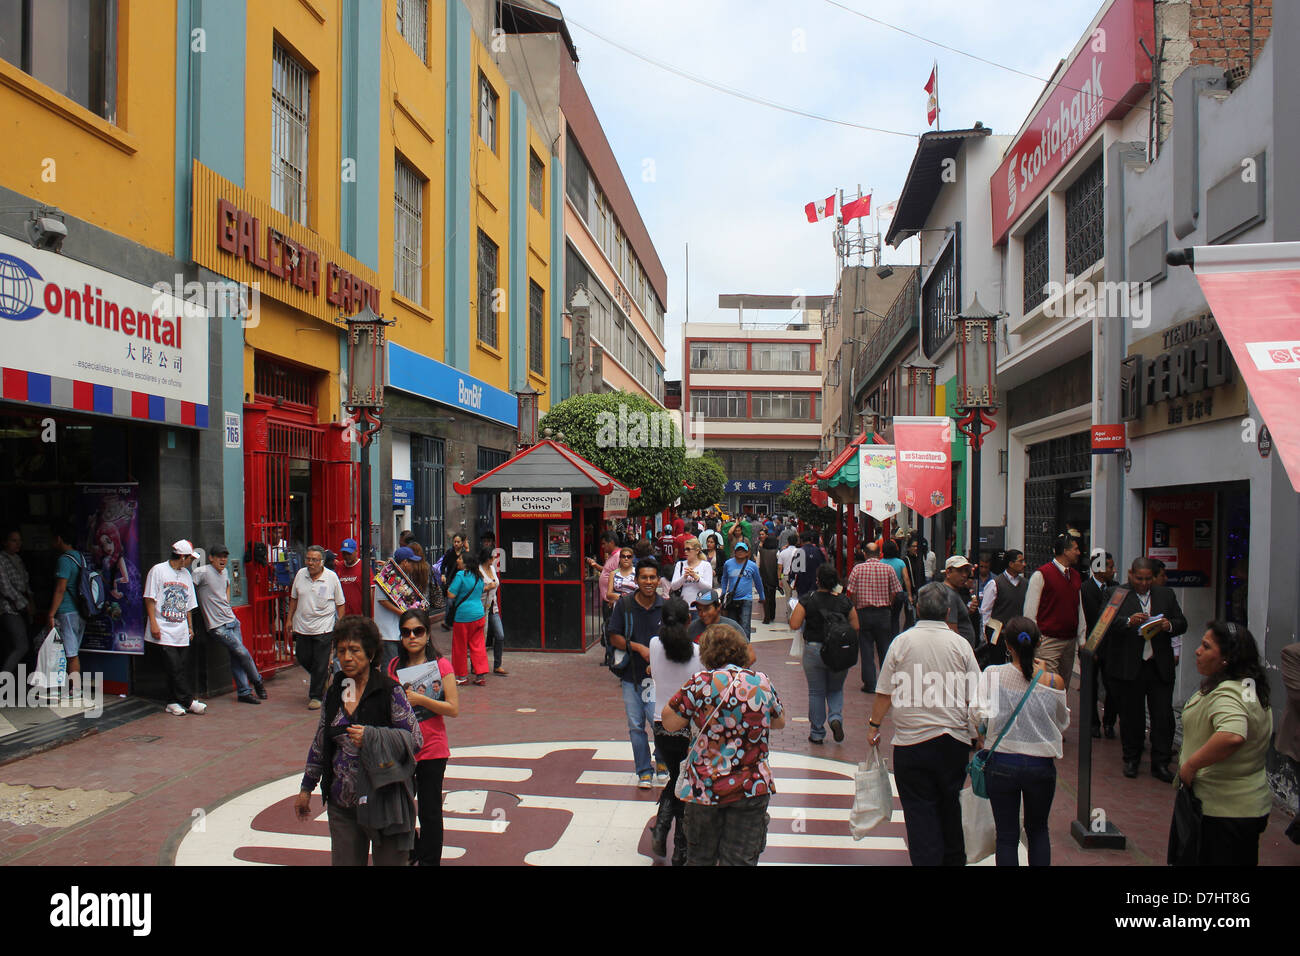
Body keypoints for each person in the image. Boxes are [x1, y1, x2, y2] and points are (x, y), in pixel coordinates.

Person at [295, 615, 423, 866]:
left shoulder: (389, 691)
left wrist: (373, 737)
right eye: (341, 650)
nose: (347, 657)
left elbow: (415, 739)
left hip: (385, 800)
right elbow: (321, 741)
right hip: (342, 804)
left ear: (371, 652)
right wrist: (306, 787)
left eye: (354, 650)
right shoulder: (337, 690)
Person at [868, 583, 980, 866]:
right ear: (946, 611)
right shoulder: (961, 645)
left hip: (910, 742)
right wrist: (978, 733)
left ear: (916, 608)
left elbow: (885, 692)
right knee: (950, 803)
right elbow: (978, 695)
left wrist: (874, 725)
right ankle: (953, 859)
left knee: (919, 812)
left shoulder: (901, 643)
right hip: (953, 739)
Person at [661, 623, 786, 865]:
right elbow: (779, 721)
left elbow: (669, 722)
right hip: (751, 787)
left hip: (705, 786)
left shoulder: (700, 682)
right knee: (740, 860)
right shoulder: (760, 681)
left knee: (701, 858)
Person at [1173, 622, 1273, 865]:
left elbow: (1232, 734)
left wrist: (1191, 766)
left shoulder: (1228, 692)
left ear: (1227, 658)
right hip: (1249, 805)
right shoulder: (1249, 688)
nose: (1197, 651)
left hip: (1221, 810)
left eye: (1206, 647)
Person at [976, 617, 1069, 866]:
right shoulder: (1053, 681)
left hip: (1002, 760)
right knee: (1038, 830)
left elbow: (979, 716)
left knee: (1006, 835)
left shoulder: (992, 675)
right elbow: (1062, 723)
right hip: (1041, 765)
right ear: (1038, 643)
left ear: (1007, 645)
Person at [1101, 557, 1188, 781]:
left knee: (1162, 716)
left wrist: (1168, 625)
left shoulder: (1165, 595)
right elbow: (1105, 623)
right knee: (1132, 716)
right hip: (1130, 665)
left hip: (1159, 665)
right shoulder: (1117, 594)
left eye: (1148, 579)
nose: (1143, 583)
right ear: (1131, 574)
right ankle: (1131, 758)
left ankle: (1160, 763)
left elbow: (1182, 622)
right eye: (1139, 579)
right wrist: (1128, 622)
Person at [388, 607, 458, 865]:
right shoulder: (394, 665)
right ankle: (413, 850)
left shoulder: (441, 665)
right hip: (402, 748)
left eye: (418, 631)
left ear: (427, 634)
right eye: (406, 632)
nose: (412, 637)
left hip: (432, 749)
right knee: (400, 807)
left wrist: (421, 699)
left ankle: (429, 860)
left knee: (429, 812)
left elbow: (453, 708)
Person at [648, 596, 701, 865]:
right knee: (684, 784)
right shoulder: (699, 653)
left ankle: (663, 827)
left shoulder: (654, 645)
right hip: (688, 729)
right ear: (689, 620)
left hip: (660, 725)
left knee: (674, 778)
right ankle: (679, 846)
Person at [607, 557, 666, 788]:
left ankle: (662, 762)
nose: (649, 581)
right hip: (631, 676)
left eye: (652, 577)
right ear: (637, 579)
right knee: (635, 725)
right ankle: (643, 771)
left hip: (659, 680)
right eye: (644, 577)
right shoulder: (625, 605)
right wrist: (639, 648)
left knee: (658, 722)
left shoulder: (665, 606)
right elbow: (614, 636)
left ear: (658, 580)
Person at [790, 562, 859, 745]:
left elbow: (794, 624)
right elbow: (856, 626)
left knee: (816, 692)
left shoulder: (808, 599)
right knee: (836, 688)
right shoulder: (844, 601)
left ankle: (817, 732)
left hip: (814, 649)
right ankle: (835, 717)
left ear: (817, 580)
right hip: (839, 651)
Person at [192, 545, 266, 704]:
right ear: (211, 557)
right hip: (217, 626)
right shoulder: (202, 572)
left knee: (237, 656)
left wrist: (226, 602)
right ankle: (258, 681)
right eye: (219, 556)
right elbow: (189, 589)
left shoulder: (225, 572)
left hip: (231, 620)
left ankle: (244, 692)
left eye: (225, 556)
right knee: (243, 653)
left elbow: (226, 586)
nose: (223, 560)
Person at [144, 540, 204, 716]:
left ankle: (172, 701)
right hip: (163, 628)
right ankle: (188, 700)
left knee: (178, 668)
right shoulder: (158, 570)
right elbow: (149, 598)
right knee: (174, 665)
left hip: (180, 629)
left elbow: (188, 605)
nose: (191, 562)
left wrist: (190, 627)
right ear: (182, 557)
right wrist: (153, 624)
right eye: (190, 558)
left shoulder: (186, 574)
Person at [1023, 534, 1086, 688]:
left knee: (1063, 685)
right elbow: (1030, 611)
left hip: (1069, 641)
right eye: (1075, 549)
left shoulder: (1076, 576)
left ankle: (1061, 713)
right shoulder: (1041, 575)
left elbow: (1079, 609)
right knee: (1049, 686)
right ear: (1065, 551)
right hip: (1047, 641)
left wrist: (1082, 639)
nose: (1079, 553)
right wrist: (1035, 639)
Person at [288, 544, 346, 710]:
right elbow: (293, 598)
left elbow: (340, 603)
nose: (310, 563)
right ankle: (322, 677)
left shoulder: (331, 578)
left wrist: (340, 624)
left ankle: (315, 696)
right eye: (308, 559)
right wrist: (289, 619)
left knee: (320, 662)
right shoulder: (300, 574)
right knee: (303, 657)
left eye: (314, 560)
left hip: (324, 627)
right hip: (302, 626)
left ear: (322, 562)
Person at [847, 546, 902, 695]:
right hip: (883, 612)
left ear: (865, 554)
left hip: (863, 612)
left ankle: (870, 683)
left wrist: (855, 606)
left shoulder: (858, 569)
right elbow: (895, 590)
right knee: (885, 648)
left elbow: (851, 591)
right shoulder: (888, 569)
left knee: (866, 649)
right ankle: (886, 683)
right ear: (879, 554)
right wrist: (889, 603)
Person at [1080, 550, 1117, 739]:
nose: (1113, 570)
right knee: (1090, 687)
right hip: (1091, 643)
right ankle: (1093, 723)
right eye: (1109, 567)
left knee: (1112, 685)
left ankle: (1109, 722)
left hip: (1112, 647)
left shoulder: (1117, 589)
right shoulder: (1084, 588)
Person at [46, 522, 86, 689]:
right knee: (73, 650)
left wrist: (51, 614)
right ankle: (70, 687)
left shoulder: (64, 560)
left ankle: (74, 689)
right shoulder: (80, 556)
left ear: (59, 539)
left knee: (71, 654)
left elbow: (60, 589)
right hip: (81, 611)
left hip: (67, 611)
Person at [445, 549, 488, 686]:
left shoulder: (460, 575)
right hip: (479, 614)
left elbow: (451, 594)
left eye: (460, 559)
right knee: (478, 645)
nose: (457, 560)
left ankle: (462, 676)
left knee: (460, 646)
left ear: (466, 563)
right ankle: (480, 675)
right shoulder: (479, 576)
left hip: (463, 616)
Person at [0, 528, 35, 678]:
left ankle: (12, 682)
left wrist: (31, 601)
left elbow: (26, 584)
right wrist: (24, 604)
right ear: (5, 542)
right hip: (9, 607)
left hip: (22, 606)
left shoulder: (18, 560)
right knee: (22, 646)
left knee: (15, 646)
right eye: (14, 540)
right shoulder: (1, 559)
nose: (18, 544)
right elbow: (5, 586)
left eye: (19, 540)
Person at [718, 540, 764, 640]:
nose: (740, 552)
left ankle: (746, 647)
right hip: (732, 599)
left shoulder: (752, 566)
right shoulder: (728, 564)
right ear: (734, 552)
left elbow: (758, 581)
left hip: (746, 599)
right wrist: (723, 591)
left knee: (745, 624)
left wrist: (762, 595)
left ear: (747, 552)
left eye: (743, 550)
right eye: (738, 550)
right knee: (732, 625)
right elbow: (724, 578)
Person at [937, 555, 979, 649]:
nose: (964, 575)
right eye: (960, 571)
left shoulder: (954, 592)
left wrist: (969, 611)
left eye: (966, 571)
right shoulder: (950, 595)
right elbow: (952, 629)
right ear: (948, 572)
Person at [479, 546, 507, 676]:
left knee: (500, 635)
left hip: (492, 607)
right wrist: (487, 587)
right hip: (481, 608)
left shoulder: (492, 568)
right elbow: (476, 589)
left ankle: (497, 664)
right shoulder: (478, 571)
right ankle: (478, 666)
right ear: (487, 558)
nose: (494, 559)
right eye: (492, 557)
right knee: (481, 639)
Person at [668, 536, 714, 615]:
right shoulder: (680, 564)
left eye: (688, 549)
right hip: (682, 607)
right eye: (684, 549)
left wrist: (696, 577)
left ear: (697, 551)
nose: (685, 552)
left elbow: (709, 588)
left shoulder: (706, 565)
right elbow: (673, 586)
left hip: (700, 607)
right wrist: (684, 577)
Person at [881, 541, 913, 635]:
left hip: (884, 594)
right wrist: (910, 595)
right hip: (898, 593)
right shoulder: (900, 562)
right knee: (895, 618)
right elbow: (906, 579)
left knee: (885, 617)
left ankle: (885, 636)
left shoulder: (880, 562)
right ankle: (895, 636)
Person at [790, 531, 825, 600]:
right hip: (816, 583)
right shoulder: (818, 551)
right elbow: (824, 565)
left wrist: (792, 578)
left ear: (801, 540)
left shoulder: (800, 552)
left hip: (803, 583)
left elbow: (794, 569)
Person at [335, 538, 364, 618]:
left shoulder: (363, 566)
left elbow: (371, 591)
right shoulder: (339, 566)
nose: (346, 556)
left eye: (349, 553)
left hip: (358, 615)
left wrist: (369, 613)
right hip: (342, 615)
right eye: (344, 554)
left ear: (356, 552)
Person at [757, 535, 780, 625]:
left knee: (765, 597)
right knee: (772, 596)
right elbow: (779, 565)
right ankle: (772, 615)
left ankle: (766, 616)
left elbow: (758, 565)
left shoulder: (761, 552)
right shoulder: (777, 552)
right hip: (773, 577)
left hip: (763, 577)